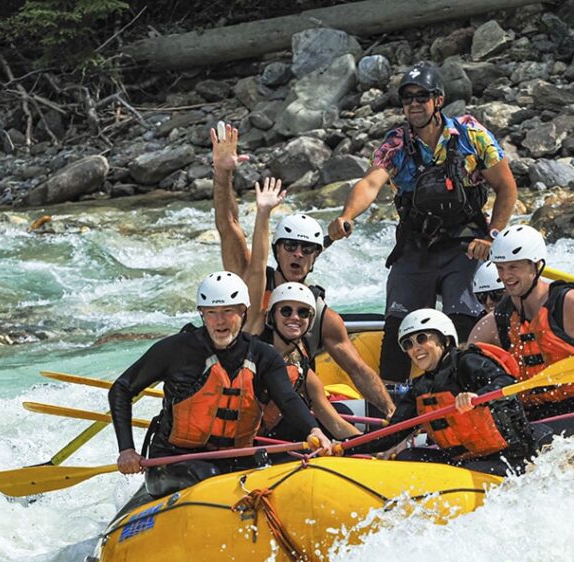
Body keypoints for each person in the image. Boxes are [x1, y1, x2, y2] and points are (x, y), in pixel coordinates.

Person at [326, 62, 518, 384]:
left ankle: (470, 392)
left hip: (465, 246)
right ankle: (392, 415)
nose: (414, 104)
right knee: (399, 326)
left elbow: (506, 187)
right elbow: (371, 183)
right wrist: (346, 216)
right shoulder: (396, 144)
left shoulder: (471, 134)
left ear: (438, 100)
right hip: (416, 249)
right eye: (407, 98)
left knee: (462, 318)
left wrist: (493, 237)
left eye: (421, 97)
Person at [211, 122, 394, 418]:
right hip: (245, 405)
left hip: (296, 409)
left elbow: (358, 370)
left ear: (316, 256)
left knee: (370, 412)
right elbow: (228, 226)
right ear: (276, 250)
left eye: (306, 249)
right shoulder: (250, 281)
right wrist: (223, 173)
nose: (298, 254)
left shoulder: (321, 315)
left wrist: (391, 414)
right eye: (290, 247)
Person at [109, 271, 332, 497]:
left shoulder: (263, 356)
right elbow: (122, 388)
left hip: (235, 460)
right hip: (171, 462)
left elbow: (288, 399)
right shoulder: (174, 350)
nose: (220, 321)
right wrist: (127, 449)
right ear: (202, 315)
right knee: (209, 475)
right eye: (211, 313)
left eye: (228, 311)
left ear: (243, 312)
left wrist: (313, 430)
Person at [468, 224, 574, 443]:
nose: (506, 276)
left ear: (536, 266)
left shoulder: (572, 305)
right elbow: (463, 366)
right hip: (532, 419)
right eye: (500, 268)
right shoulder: (496, 322)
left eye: (513, 267)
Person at [354, 309, 547, 476]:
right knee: (407, 456)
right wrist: (343, 447)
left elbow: (505, 382)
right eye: (408, 344)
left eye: (422, 338)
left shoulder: (466, 362)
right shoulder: (420, 388)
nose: (415, 348)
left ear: (444, 339)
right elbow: (391, 434)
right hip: (463, 461)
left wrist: (477, 397)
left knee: (471, 466)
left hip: (509, 457)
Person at [254, 281, 361, 442]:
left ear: (310, 321)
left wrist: (369, 446)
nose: (295, 317)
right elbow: (255, 273)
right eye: (286, 311)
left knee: (341, 411)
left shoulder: (301, 366)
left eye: (303, 312)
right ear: (271, 316)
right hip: (241, 444)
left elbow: (335, 423)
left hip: (271, 438)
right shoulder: (251, 349)